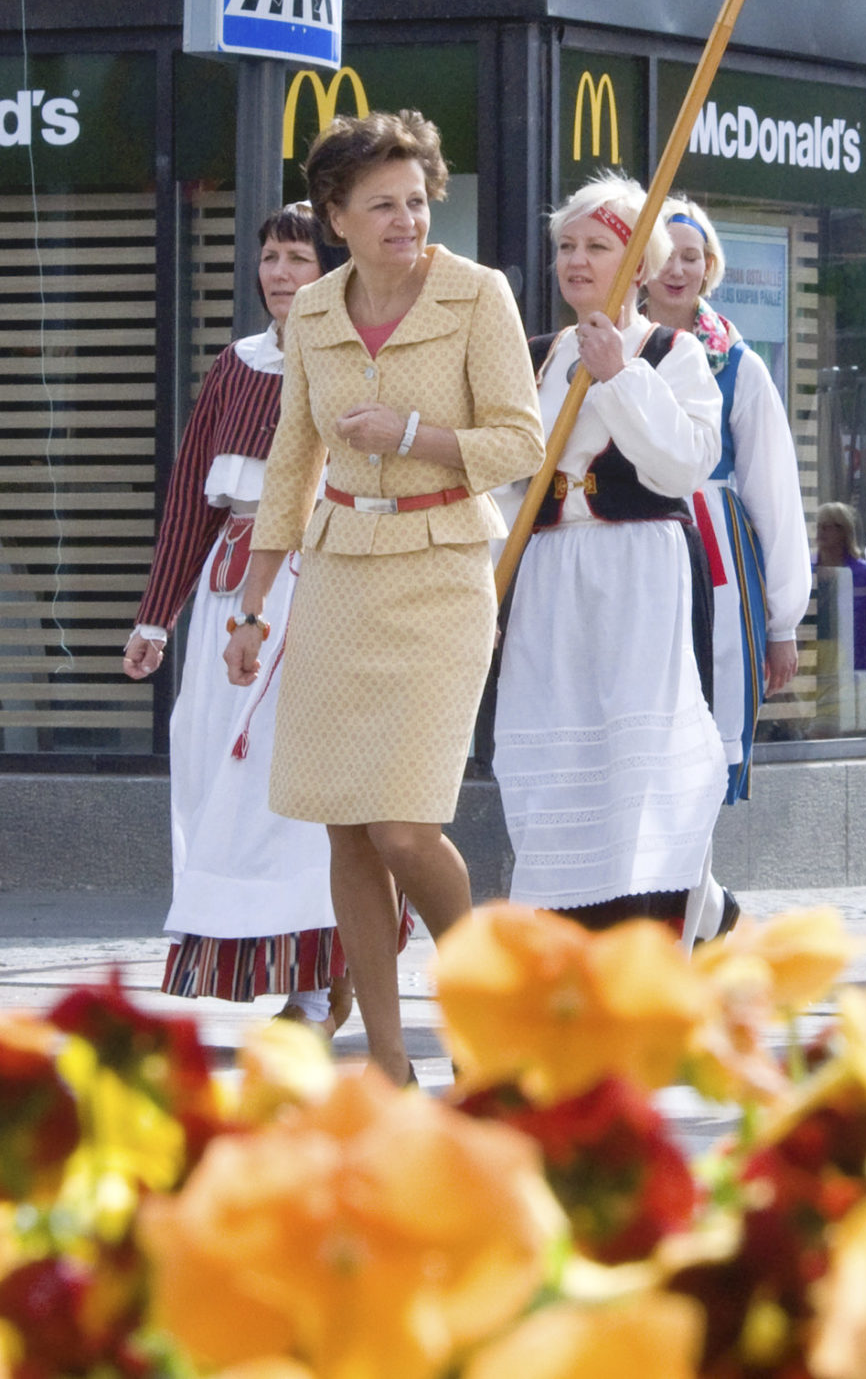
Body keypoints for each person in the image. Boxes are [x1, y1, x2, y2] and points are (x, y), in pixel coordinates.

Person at [223, 111, 544, 1082]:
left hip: (443, 571)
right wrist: (251, 607)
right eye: (382, 205)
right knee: (348, 827)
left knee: (404, 827)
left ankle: (491, 1011)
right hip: (338, 578)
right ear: (336, 217)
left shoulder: (477, 294)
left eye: (415, 200)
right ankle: (391, 1065)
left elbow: (522, 443)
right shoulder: (315, 310)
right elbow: (292, 459)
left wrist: (412, 435)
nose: (406, 219)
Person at [126, 205, 350, 1028]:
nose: (280, 272)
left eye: (298, 257)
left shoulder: (356, 359)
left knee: (286, 783)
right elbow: (192, 497)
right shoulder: (236, 364)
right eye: (270, 256)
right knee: (211, 773)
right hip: (231, 597)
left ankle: (317, 982)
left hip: (313, 587)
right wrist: (155, 618)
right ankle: (264, 963)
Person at [492, 175, 728, 936]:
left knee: (642, 758)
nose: (575, 260)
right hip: (551, 577)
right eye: (566, 246)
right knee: (555, 762)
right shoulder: (536, 358)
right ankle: (566, 937)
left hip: (640, 573)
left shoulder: (673, 353)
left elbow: (683, 464)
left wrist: (622, 376)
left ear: (637, 262)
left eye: (596, 245)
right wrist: (487, 585)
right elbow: (506, 485)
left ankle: (656, 930)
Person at [641, 200, 812, 806]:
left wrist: (782, 623)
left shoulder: (740, 366)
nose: (677, 269)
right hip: (629, 539)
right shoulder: (612, 348)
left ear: (709, 267)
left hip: (711, 548)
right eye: (666, 255)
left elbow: (773, 493)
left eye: (692, 257)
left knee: (707, 728)